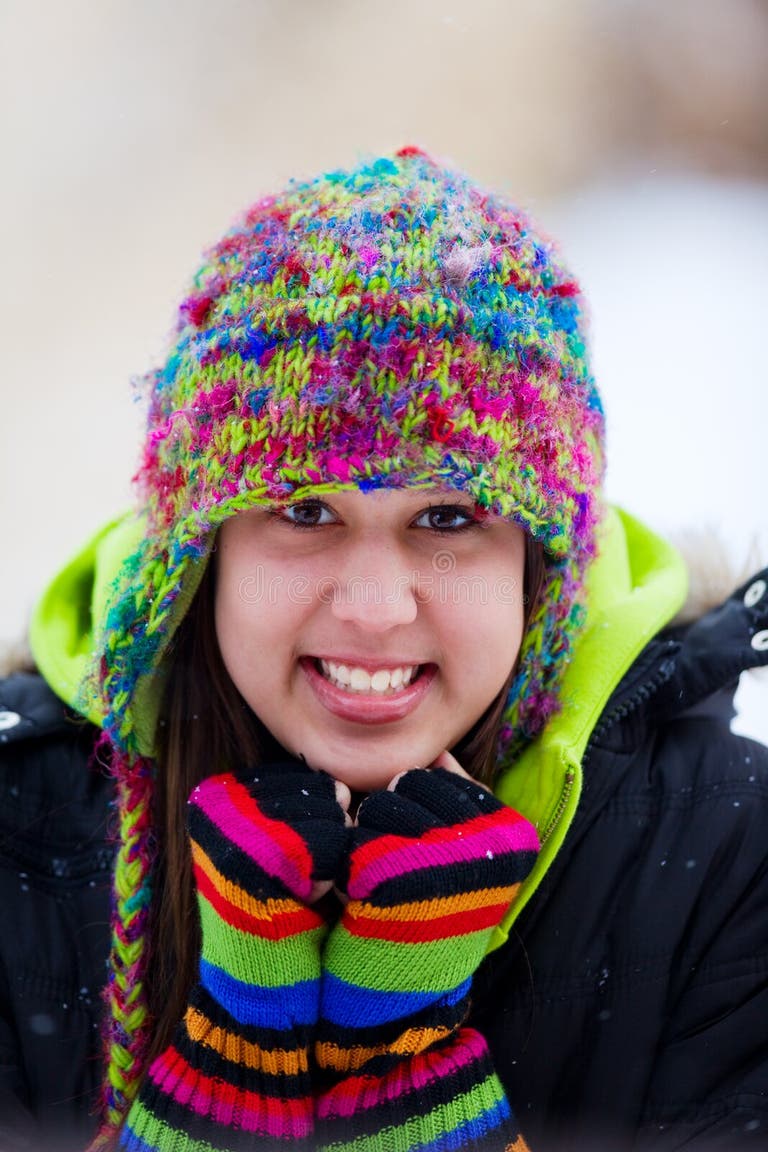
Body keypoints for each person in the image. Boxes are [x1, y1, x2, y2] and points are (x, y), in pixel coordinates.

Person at [1, 146, 766, 1152]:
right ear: (200, 554)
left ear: (542, 569)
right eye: (305, 509)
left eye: (447, 518)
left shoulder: (726, 857)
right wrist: (233, 1064)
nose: (373, 606)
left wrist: (401, 1068)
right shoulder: (20, 837)